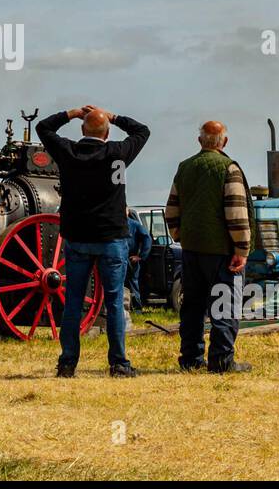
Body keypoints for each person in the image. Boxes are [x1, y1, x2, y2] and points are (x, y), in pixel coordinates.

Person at [37, 105, 150, 378]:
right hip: (111, 237)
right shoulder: (118, 153)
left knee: (74, 300)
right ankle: (119, 363)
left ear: (81, 130)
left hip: (77, 236)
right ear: (108, 132)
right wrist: (114, 116)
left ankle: (67, 362)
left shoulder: (69, 152)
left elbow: (43, 128)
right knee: (113, 302)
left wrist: (71, 113)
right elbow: (142, 130)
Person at [165, 120, 256, 374]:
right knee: (224, 305)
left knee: (192, 306)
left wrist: (180, 235)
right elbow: (237, 212)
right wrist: (242, 250)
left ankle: (191, 358)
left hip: (191, 251)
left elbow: (171, 210)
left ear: (199, 141)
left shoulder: (184, 168)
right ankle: (221, 360)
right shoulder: (229, 168)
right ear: (224, 142)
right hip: (222, 253)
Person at [125, 207, 152, 311]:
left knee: (133, 285)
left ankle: (137, 309)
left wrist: (141, 256)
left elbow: (147, 238)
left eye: (124, 210)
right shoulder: (115, 225)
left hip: (130, 261)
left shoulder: (134, 225)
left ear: (128, 212)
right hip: (117, 260)